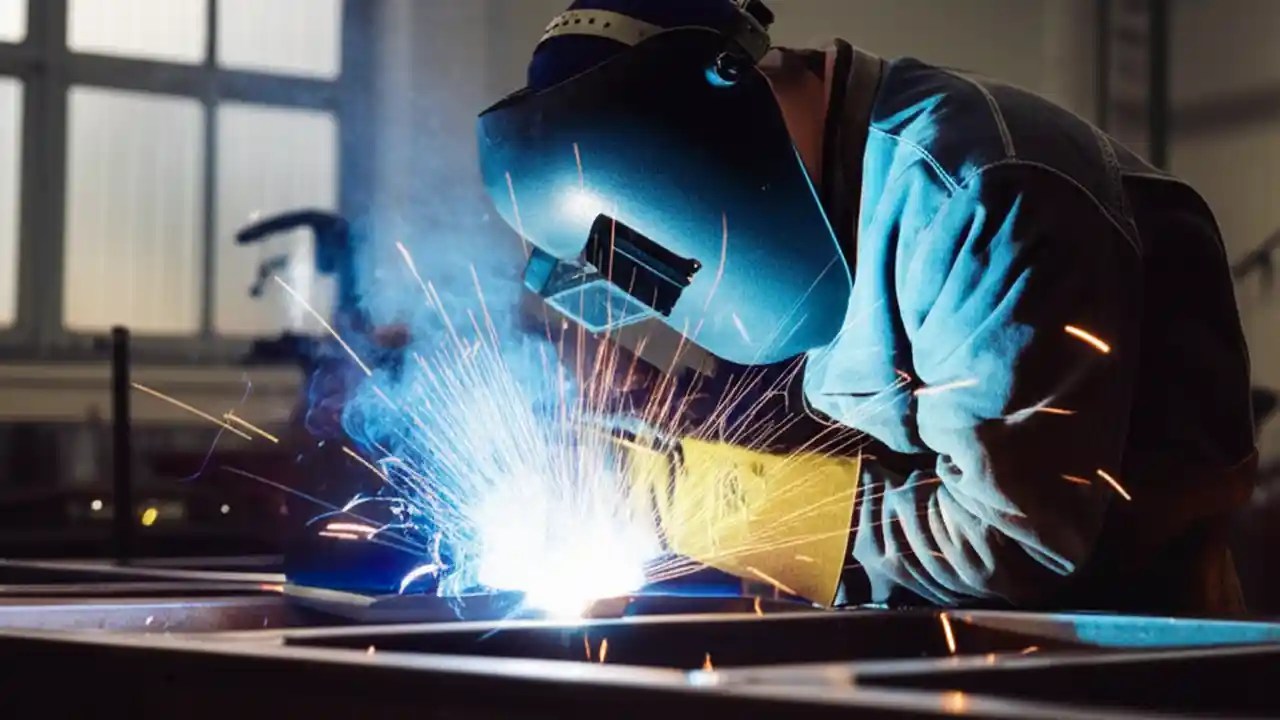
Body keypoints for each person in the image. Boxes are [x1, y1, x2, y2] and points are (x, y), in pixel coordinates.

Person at [476, 0, 1257, 616]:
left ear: (686, 154)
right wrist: (669, 411)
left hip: (1116, 667)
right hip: (927, 655)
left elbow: (1010, 542)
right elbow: (824, 429)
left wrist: (683, 499)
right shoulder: (787, 215)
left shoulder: (983, 198)